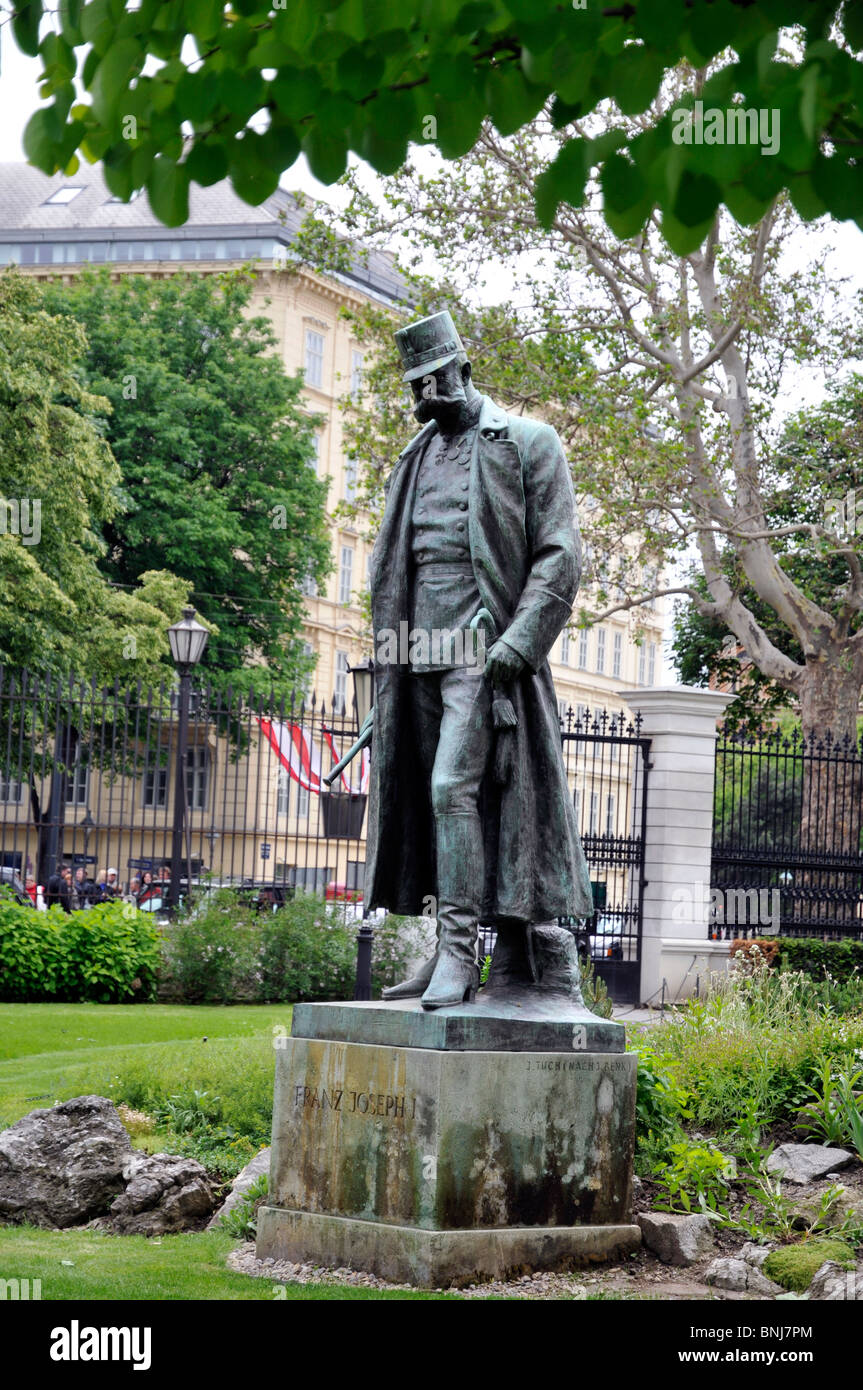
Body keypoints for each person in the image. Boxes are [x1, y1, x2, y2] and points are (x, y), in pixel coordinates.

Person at [365, 310, 593, 1010]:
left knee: (447, 790)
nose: (421, 395)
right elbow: (394, 566)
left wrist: (519, 642)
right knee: (429, 802)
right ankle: (443, 945)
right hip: (415, 655)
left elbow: (560, 555)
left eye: (430, 378)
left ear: (461, 367)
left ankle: (461, 954)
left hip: (482, 649)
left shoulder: (526, 442)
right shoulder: (412, 458)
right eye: (412, 384)